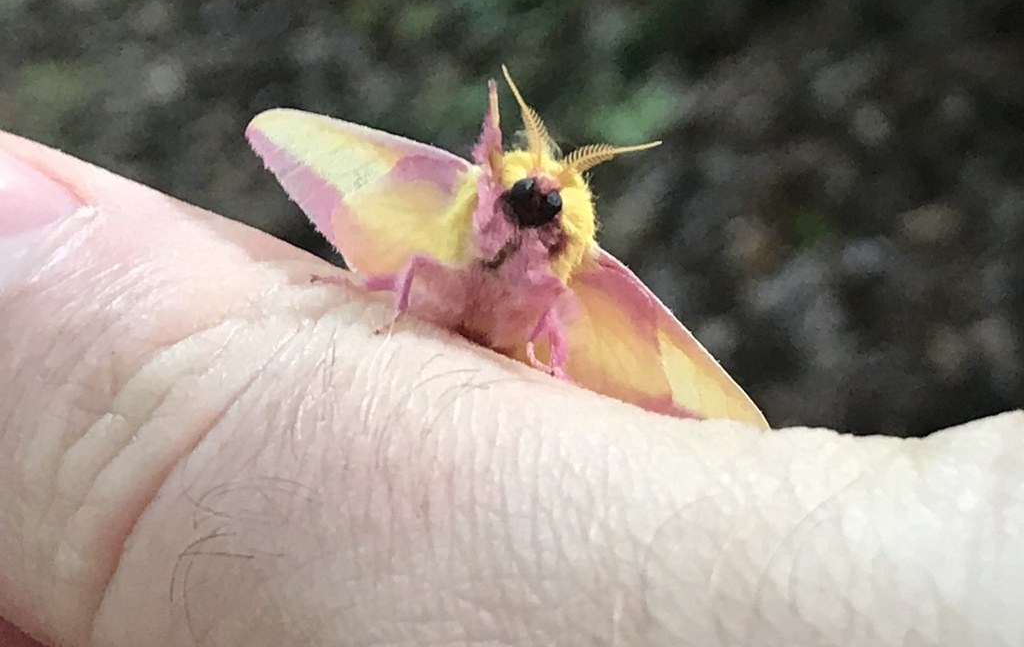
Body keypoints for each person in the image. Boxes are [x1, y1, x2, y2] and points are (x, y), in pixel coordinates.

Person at [0, 130, 1020, 647]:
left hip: (510, 363)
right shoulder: (463, 197)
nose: (532, 208)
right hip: (418, 309)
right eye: (523, 192)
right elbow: (353, 193)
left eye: (549, 203)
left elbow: (649, 367)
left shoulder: (588, 277)